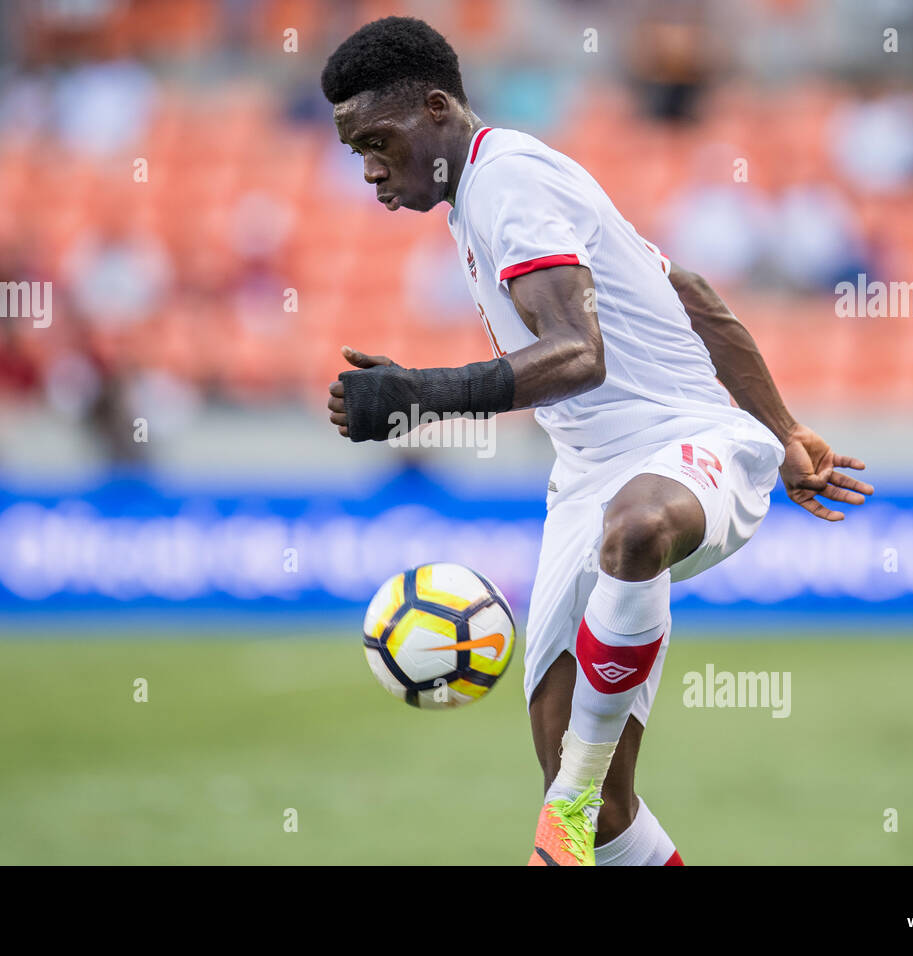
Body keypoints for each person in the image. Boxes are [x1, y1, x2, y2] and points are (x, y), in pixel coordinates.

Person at [320, 17, 873, 866]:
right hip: (584, 479)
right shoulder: (486, 193)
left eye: (376, 140)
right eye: (355, 149)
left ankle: (576, 784)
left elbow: (581, 356)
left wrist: (421, 395)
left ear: (436, 107)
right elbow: (687, 292)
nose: (368, 169)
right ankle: (582, 791)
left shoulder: (507, 183)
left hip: (687, 441)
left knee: (640, 526)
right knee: (608, 819)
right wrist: (791, 429)